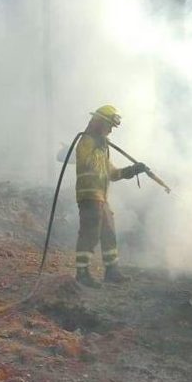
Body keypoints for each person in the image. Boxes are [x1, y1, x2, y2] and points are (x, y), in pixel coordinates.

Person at [74, 105, 147, 288]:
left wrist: (132, 170)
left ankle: (111, 271)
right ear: (100, 122)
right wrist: (98, 145)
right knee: (90, 234)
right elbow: (86, 161)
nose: (110, 130)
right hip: (89, 196)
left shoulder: (101, 145)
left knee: (109, 232)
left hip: (101, 197)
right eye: (109, 126)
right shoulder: (86, 140)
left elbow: (112, 174)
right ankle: (82, 273)